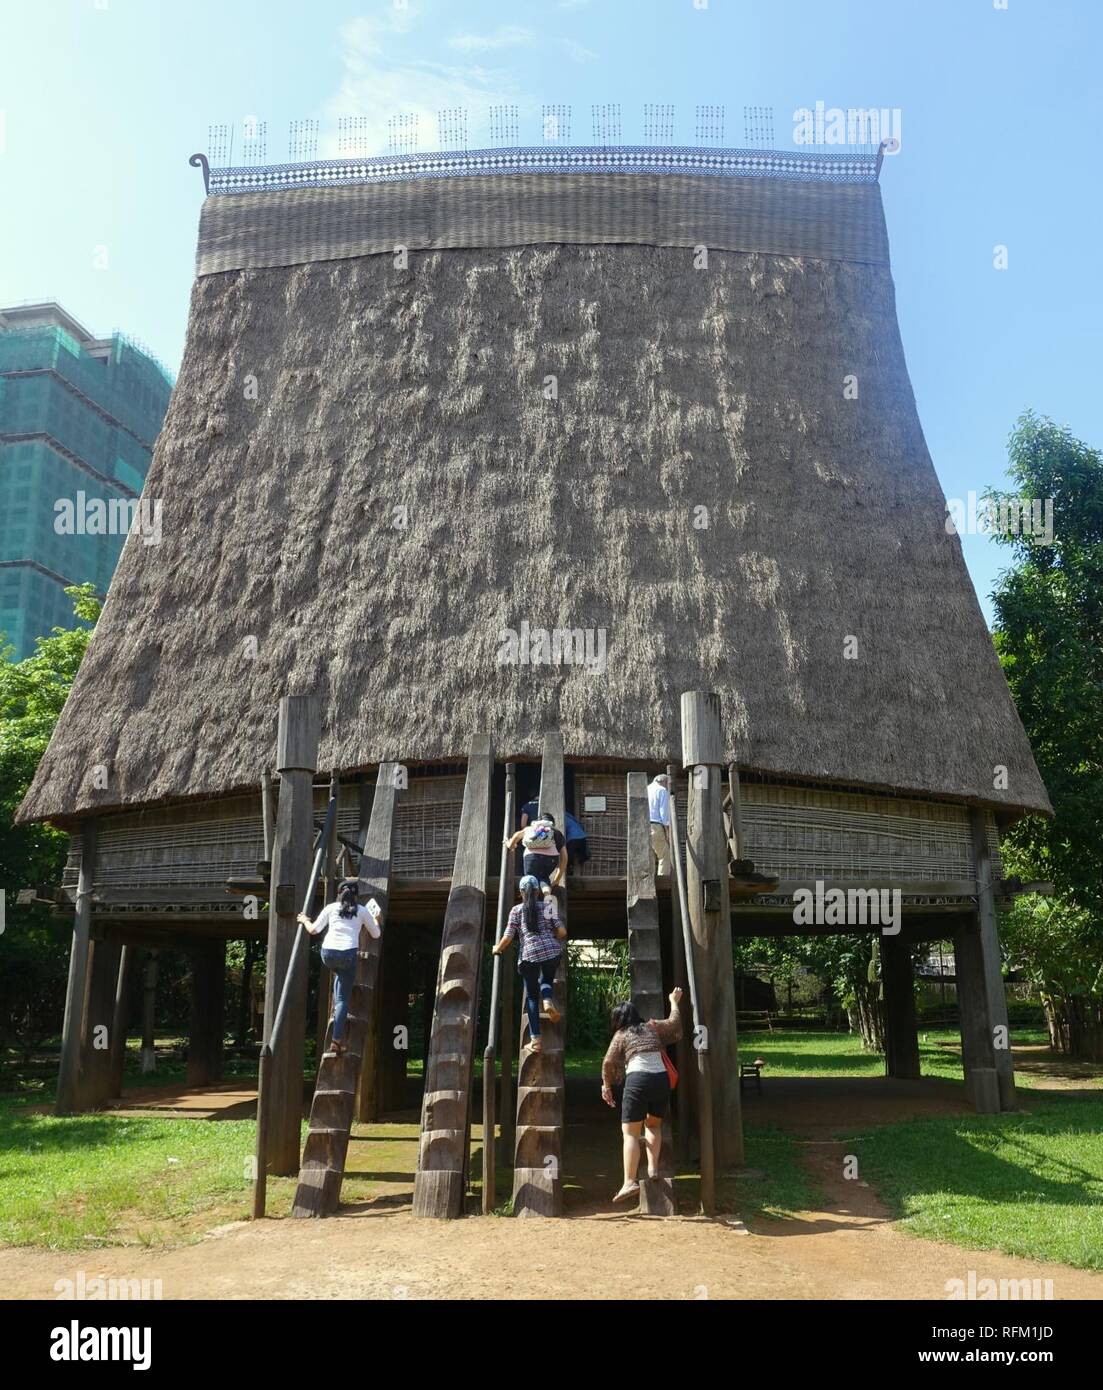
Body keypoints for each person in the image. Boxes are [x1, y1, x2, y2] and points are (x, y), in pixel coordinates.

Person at [601, 986, 683, 1202]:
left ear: (618, 1019)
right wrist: (674, 1002)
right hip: (661, 1080)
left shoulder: (621, 1034)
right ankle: (653, 1169)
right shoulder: (653, 1027)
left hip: (638, 1080)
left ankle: (629, 1182)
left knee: (630, 1133)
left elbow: (608, 1061)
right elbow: (674, 1024)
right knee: (653, 1125)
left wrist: (606, 1085)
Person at [297, 878, 381, 1057]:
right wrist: (376, 919)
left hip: (328, 955)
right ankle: (336, 1041)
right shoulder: (362, 910)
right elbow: (376, 934)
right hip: (348, 956)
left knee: (340, 977)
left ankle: (338, 996)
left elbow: (313, 930)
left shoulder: (330, 908)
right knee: (342, 999)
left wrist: (304, 920)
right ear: (356, 896)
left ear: (338, 894)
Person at [491, 875, 567, 1053]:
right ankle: (547, 1000)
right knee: (546, 979)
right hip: (551, 952)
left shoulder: (516, 910)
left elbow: (508, 936)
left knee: (532, 997)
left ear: (521, 893)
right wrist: (551, 937)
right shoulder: (548, 906)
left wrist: (497, 948)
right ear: (537, 891)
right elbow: (562, 931)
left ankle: (536, 1042)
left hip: (529, 955)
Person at [521, 797, 589, 878]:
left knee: (567, 857)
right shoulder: (568, 815)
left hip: (572, 839)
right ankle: (582, 859)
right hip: (582, 836)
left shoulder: (555, 825)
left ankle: (568, 870)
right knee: (580, 855)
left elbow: (523, 825)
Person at [505, 811, 567, 896]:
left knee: (530, 879)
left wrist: (510, 845)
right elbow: (564, 858)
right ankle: (547, 896)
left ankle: (528, 900)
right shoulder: (556, 832)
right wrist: (557, 879)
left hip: (531, 858)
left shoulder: (531, 828)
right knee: (544, 879)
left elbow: (517, 835)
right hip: (550, 860)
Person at [647, 773, 672, 877]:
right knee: (664, 854)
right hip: (656, 825)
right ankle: (663, 880)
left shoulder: (646, 789)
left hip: (643, 825)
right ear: (664, 782)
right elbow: (664, 814)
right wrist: (667, 831)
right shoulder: (662, 790)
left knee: (648, 856)